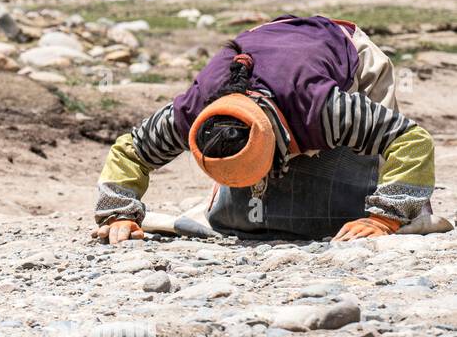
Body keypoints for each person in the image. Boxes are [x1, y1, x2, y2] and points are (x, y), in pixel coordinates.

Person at [93, 15, 436, 243]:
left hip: (342, 49)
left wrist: (384, 219)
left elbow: (411, 140)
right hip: (269, 46)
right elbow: (131, 151)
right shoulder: (190, 111)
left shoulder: (322, 107)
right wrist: (118, 214)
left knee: (380, 180)